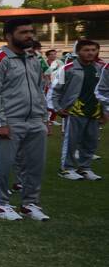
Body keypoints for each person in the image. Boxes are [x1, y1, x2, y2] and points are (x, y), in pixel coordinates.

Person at [0, 17, 51, 221]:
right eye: (23, 32)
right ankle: (1, 205)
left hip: (35, 121)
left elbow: (40, 90)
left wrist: (44, 118)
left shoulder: (34, 59)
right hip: (9, 120)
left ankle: (30, 204)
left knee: (34, 165)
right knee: (3, 164)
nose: (29, 35)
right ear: (8, 36)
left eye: (31, 31)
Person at [48, 38, 105, 181]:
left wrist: (106, 111)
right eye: (86, 50)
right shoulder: (67, 68)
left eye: (93, 50)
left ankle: (85, 168)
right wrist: (57, 108)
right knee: (71, 141)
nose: (90, 53)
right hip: (74, 111)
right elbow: (54, 90)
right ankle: (66, 169)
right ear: (78, 52)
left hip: (95, 111)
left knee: (91, 142)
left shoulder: (100, 68)